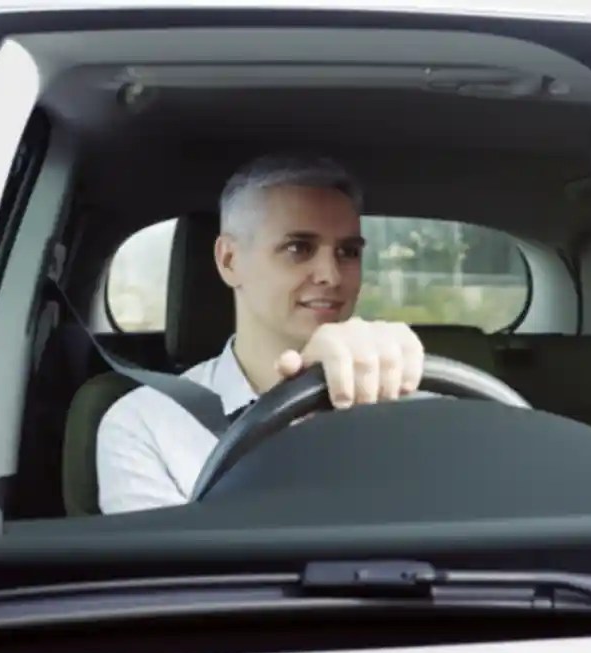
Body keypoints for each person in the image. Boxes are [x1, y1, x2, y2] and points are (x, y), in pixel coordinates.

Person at [96, 153, 425, 513]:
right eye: (298, 248)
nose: (331, 275)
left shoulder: (424, 410)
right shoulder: (147, 423)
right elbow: (174, 569)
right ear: (229, 261)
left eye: (348, 252)